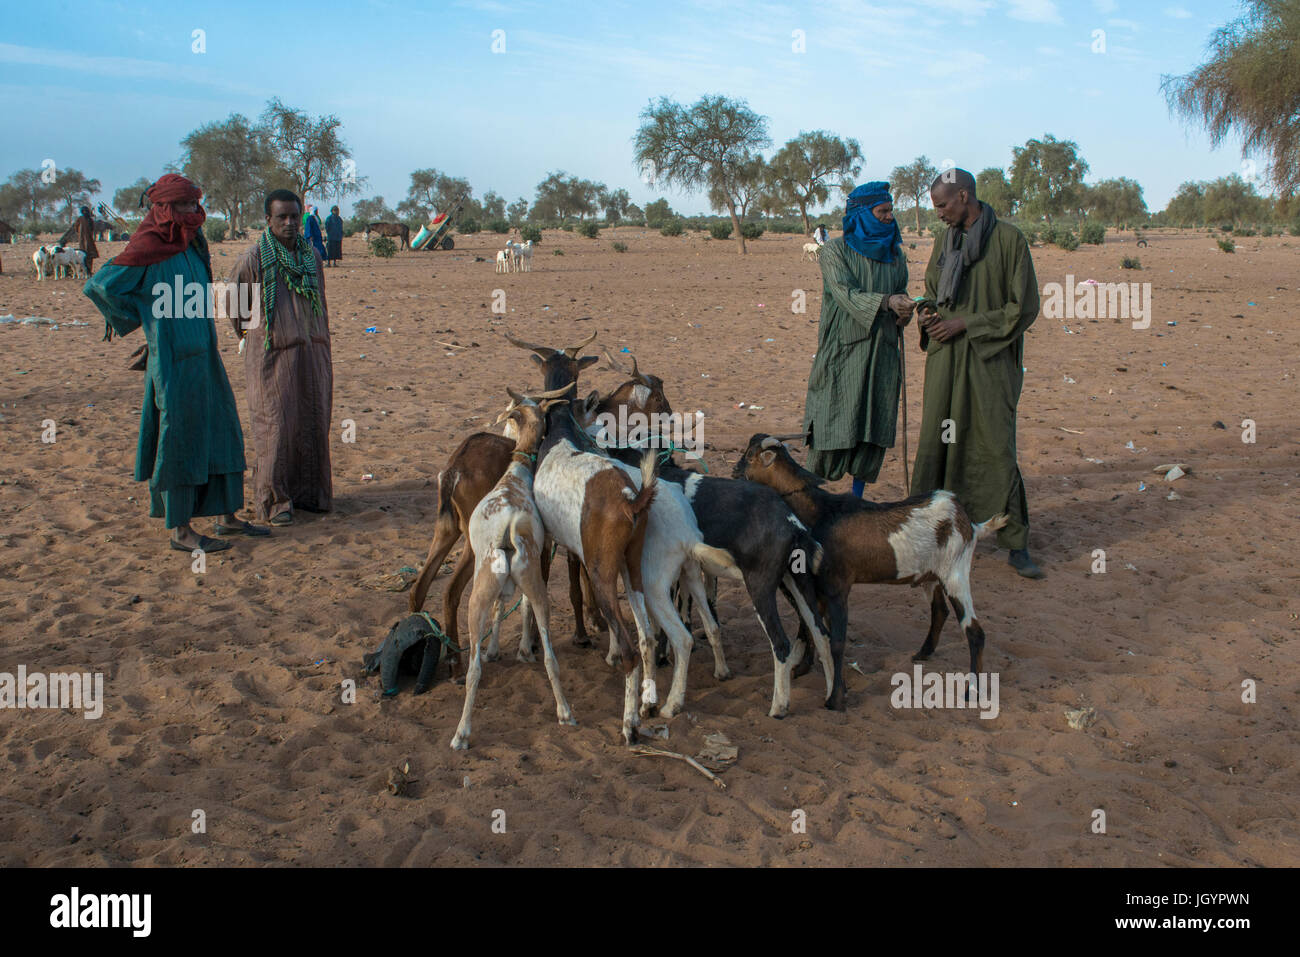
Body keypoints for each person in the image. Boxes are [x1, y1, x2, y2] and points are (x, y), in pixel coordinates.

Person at [82, 174, 267, 553]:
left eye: (194, 204)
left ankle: (226, 516)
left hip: (205, 352)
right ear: (163, 208)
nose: (192, 212)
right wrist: (146, 321)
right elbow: (100, 286)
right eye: (183, 205)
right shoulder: (145, 247)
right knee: (179, 437)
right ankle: (181, 531)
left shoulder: (192, 243)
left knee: (223, 428)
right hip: (171, 360)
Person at [912, 168, 1043, 579]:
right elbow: (932, 289)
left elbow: (1021, 307)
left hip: (989, 361)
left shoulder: (1008, 241)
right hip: (946, 360)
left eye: (942, 205)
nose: (938, 214)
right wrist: (928, 315)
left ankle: (1014, 540)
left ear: (964, 197)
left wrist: (965, 324)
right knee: (941, 441)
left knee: (994, 445)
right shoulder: (943, 240)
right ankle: (933, 533)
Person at [226, 189, 333, 526]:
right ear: (267, 220)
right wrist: (263, 336)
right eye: (281, 217)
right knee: (275, 427)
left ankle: (311, 496)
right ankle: (276, 502)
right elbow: (236, 311)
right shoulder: (252, 260)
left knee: (313, 421)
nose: (289, 223)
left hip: (313, 353)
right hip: (271, 358)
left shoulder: (312, 257)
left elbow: (322, 303)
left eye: (294, 217)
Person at [802, 183, 915, 497]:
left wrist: (905, 312)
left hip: (883, 352)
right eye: (883, 211)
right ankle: (808, 503)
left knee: (872, 428)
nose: (890, 217)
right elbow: (845, 294)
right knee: (831, 425)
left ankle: (856, 500)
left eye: (891, 211)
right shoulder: (835, 252)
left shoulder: (895, 255)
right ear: (864, 214)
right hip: (843, 352)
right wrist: (886, 302)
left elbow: (901, 292)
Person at [75, 205, 98, 275]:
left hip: (89, 241)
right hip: (83, 241)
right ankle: (84, 270)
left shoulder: (89, 220)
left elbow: (92, 229)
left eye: (86, 211)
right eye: (84, 211)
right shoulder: (80, 219)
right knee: (83, 255)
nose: (85, 213)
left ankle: (88, 270)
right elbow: (76, 228)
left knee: (89, 256)